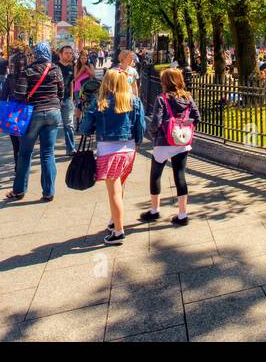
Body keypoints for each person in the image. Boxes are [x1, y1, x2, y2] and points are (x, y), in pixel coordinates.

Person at [78, 69, 145, 245]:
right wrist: (136, 144)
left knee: (114, 191)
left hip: (108, 151)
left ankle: (118, 232)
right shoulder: (135, 101)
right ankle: (114, 219)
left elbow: (85, 128)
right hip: (128, 149)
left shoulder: (99, 102)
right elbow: (140, 127)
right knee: (120, 186)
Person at [5, 42, 66, 202]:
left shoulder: (28, 71)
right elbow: (61, 92)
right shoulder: (56, 69)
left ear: (36, 54)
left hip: (33, 114)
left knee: (25, 153)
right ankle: (48, 191)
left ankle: (19, 190)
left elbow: (19, 95)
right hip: (53, 113)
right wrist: (53, 103)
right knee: (48, 152)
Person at [141, 68, 199, 226]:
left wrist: (154, 134)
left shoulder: (162, 99)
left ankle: (155, 210)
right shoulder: (187, 97)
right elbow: (196, 117)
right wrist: (185, 126)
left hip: (164, 142)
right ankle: (182, 214)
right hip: (182, 142)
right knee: (180, 176)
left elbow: (155, 122)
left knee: (155, 175)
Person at [56, 45, 78, 155]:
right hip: (55, 100)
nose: (69, 55)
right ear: (61, 54)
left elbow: (71, 83)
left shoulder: (72, 66)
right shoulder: (55, 66)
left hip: (67, 99)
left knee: (69, 124)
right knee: (53, 125)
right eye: (66, 53)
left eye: (70, 53)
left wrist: (72, 99)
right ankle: (48, 148)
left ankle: (70, 148)